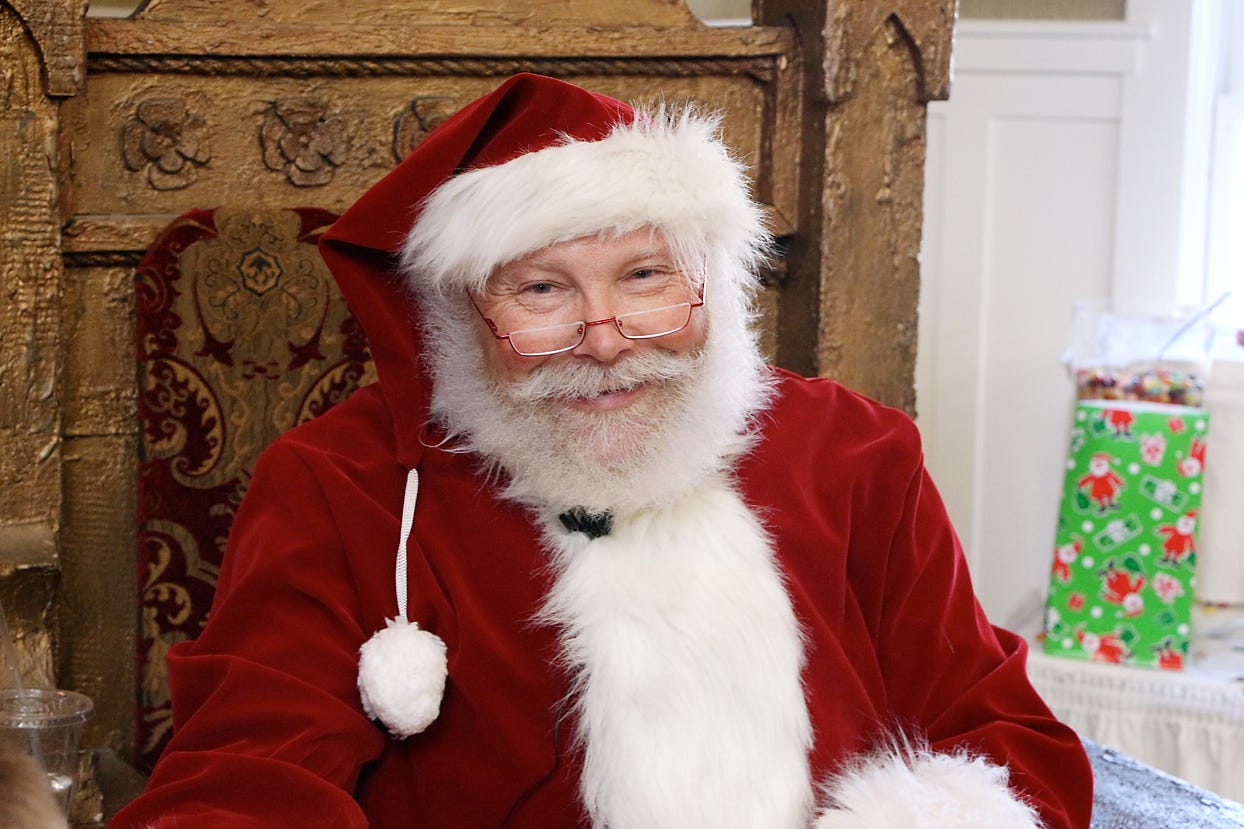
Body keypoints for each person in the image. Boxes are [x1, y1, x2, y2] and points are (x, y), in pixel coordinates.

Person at [110, 73, 1093, 828]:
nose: (607, 334)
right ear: (457, 314)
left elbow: (1000, 735)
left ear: (710, 278)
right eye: (541, 291)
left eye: (642, 275)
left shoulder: (855, 450)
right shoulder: (341, 483)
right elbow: (245, 775)